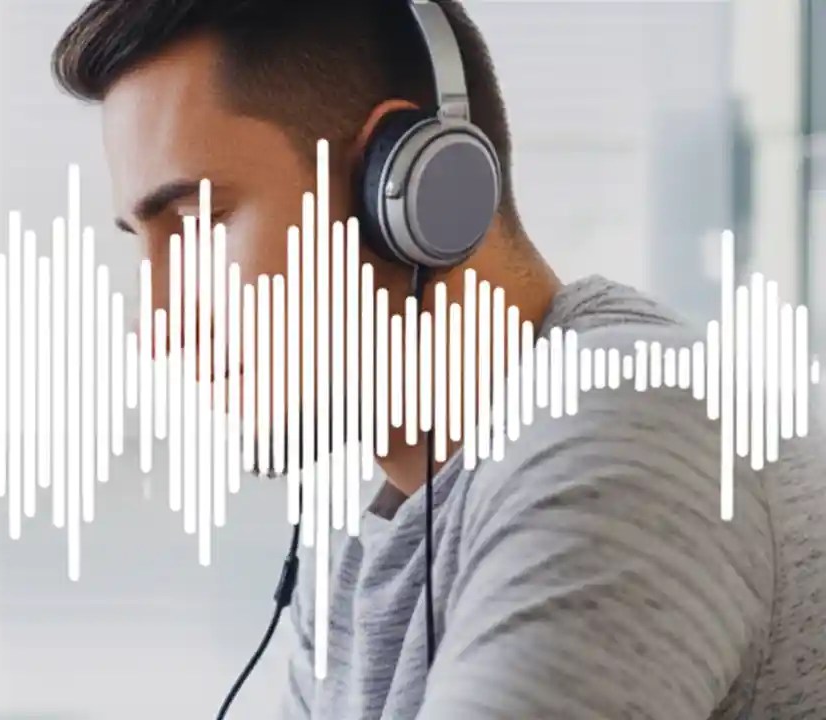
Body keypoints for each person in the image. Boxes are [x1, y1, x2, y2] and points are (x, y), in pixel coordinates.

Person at [51, 0, 826, 717]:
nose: (158, 325)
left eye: (201, 224)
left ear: (409, 189)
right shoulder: (372, 544)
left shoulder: (630, 427)